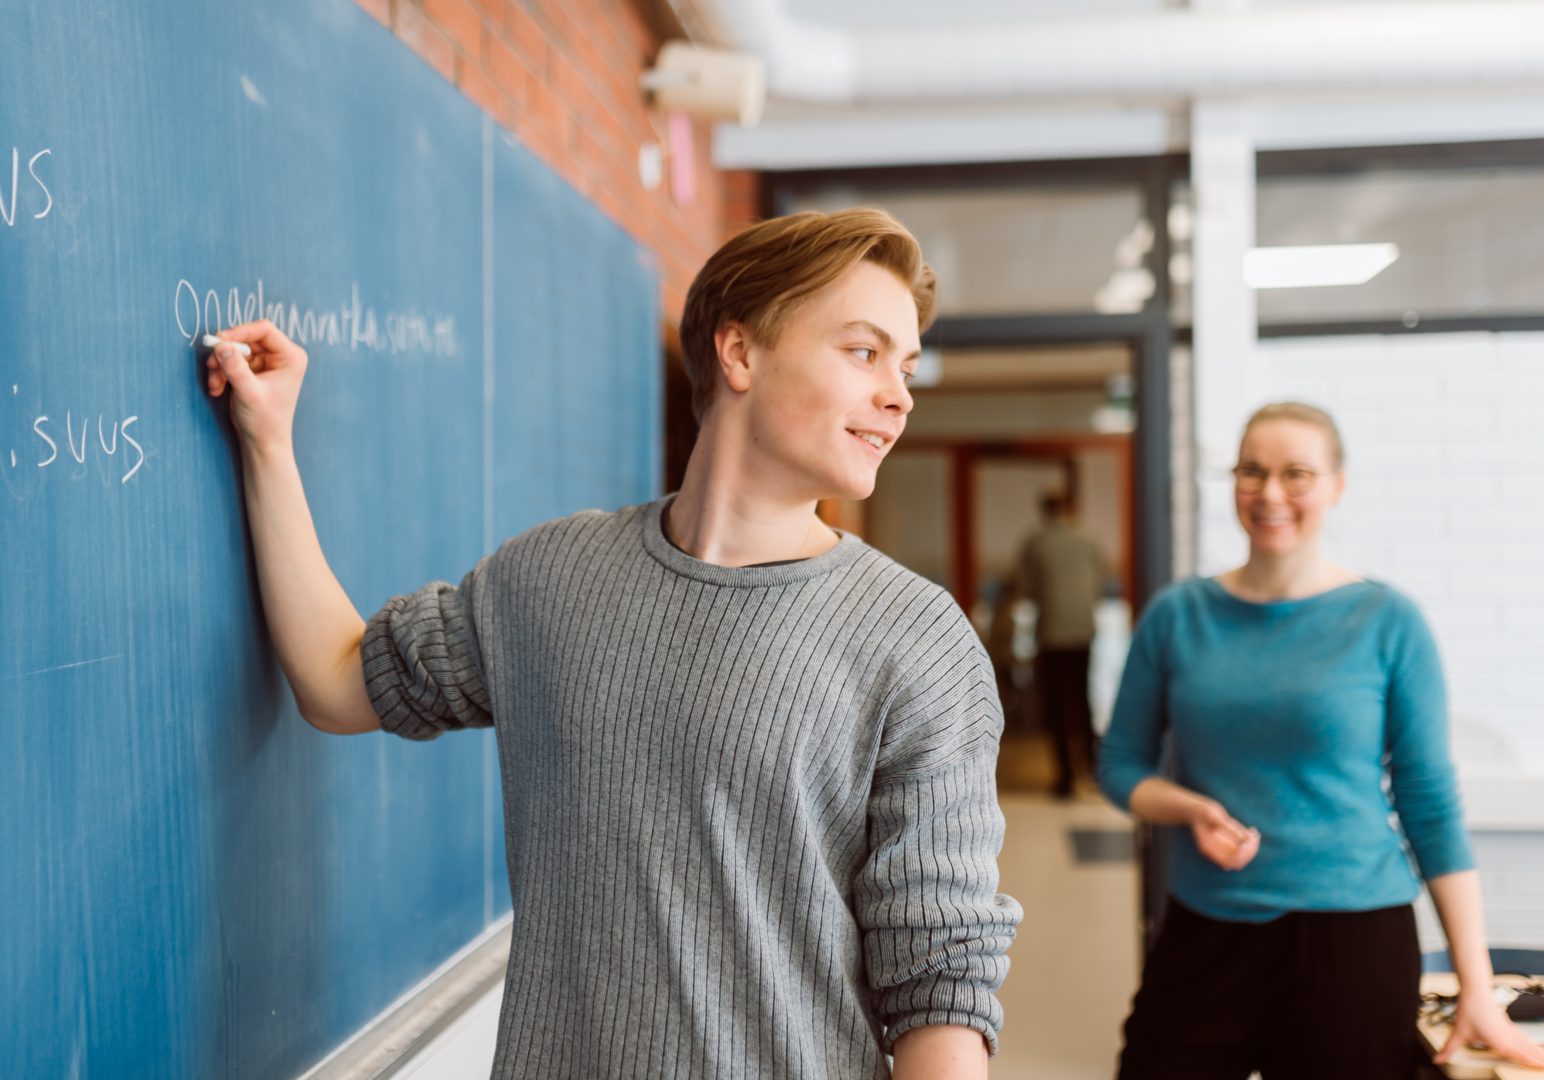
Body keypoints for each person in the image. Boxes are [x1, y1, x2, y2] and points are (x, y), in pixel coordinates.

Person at [203, 209, 1022, 1079]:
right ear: (738, 352)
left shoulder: (918, 641)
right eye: (864, 352)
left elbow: (940, 982)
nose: (899, 394)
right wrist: (268, 442)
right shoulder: (549, 578)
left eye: (906, 366)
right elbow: (338, 683)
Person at [1096, 402, 1544, 1078]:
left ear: (1337, 485)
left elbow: (1429, 804)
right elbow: (1120, 765)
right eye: (1252, 472)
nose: (1271, 494)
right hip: (1207, 929)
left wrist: (1477, 985)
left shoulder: (1388, 621)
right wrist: (1189, 808)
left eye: (1297, 473)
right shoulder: (1178, 615)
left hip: (1353, 937)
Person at [1016, 491, 1107, 797]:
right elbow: (1098, 583)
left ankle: (1065, 777)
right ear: (1069, 509)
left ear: (1044, 512)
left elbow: (1027, 589)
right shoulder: (1088, 541)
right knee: (1081, 699)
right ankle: (1093, 768)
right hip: (1083, 630)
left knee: (1055, 705)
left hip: (1052, 632)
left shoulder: (1037, 543)